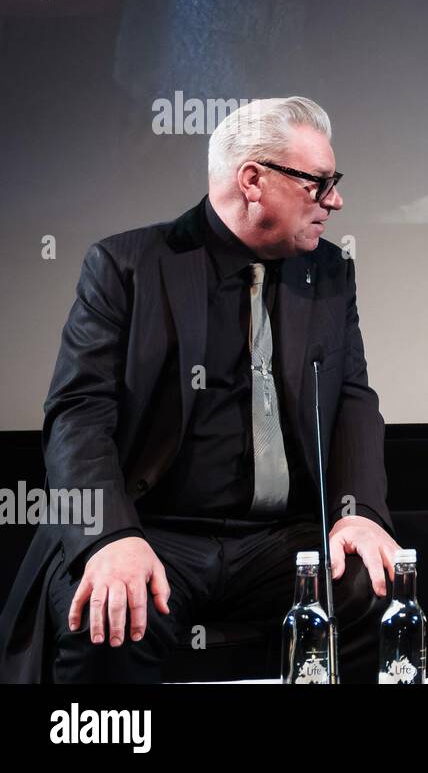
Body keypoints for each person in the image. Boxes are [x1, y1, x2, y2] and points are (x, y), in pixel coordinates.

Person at [0, 97, 401, 683]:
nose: (334, 200)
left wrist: (358, 514)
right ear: (253, 180)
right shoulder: (127, 265)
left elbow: (353, 401)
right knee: (112, 611)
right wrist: (109, 537)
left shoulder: (329, 273)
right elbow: (76, 415)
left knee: (376, 584)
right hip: (153, 529)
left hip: (278, 541)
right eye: (319, 183)